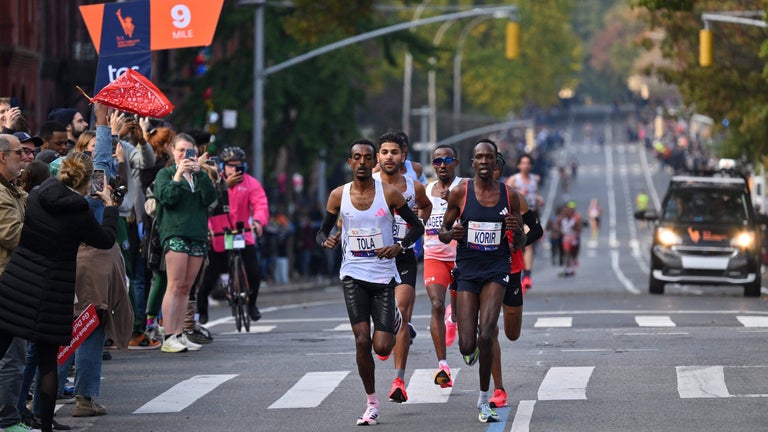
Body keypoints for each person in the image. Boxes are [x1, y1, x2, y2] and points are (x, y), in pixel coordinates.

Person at [0, 151, 119, 432]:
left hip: (17, 281)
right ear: (88, 180)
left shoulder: (40, 192)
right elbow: (105, 240)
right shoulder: (80, 211)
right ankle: (45, 426)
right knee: (47, 363)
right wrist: (111, 206)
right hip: (52, 290)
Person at [316, 139, 423, 426]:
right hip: (353, 275)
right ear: (350, 162)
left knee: (382, 348)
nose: (362, 162)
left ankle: (397, 321)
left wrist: (399, 247)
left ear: (371, 160)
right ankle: (371, 403)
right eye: (356, 158)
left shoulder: (389, 194)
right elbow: (322, 230)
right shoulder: (338, 195)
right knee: (362, 340)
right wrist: (325, 239)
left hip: (384, 275)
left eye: (366, 157)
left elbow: (417, 227)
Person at [439, 139, 522, 423]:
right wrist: (453, 234)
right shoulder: (460, 193)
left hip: (497, 268)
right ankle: (468, 346)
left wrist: (516, 231)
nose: (484, 161)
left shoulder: (509, 195)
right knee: (466, 344)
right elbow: (443, 231)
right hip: (468, 269)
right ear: (472, 163)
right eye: (479, 157)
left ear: (495, 161)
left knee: (487, 333)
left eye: (489, 157)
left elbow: (521, 239)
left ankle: (484, 398)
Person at [372, 132, 432, 404]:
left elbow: (426, 207)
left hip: (404, 254)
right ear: (378, 157)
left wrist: (414, 234)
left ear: (403, 157)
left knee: (402, 312)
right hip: (373, 259)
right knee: (384, 328)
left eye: (394, 152)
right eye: (384, 152)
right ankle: (389, 333)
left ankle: (399, 380)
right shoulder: (367, 184)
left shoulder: (413, 186)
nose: (389, 157)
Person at [488, 152, 543, 409]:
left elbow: (538, 229)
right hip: (481, 270)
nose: (487, 169)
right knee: (488, 330)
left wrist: (518, 244)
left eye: (493, 166)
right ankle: (498, 388)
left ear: (499, 171)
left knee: (511, 333)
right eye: (482, 163)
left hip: (511, 269)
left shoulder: (512, 197)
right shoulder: (465, 196)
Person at [154, 134, 217, 353]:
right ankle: (169, 335)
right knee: (174, 285)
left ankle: (180, 333)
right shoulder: (166, 173)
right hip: (175, 234)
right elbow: (166, 198)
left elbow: (211, 198)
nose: (185, 155)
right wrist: (179, 174)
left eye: (189, 151)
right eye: (180, 150)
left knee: (186, 288)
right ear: (172, 151)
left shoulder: (199, 176)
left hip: (197, 235)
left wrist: (201, 174)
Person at [199, 146, 269, 324]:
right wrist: (224, 186)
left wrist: (258, 222)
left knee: (254, 272)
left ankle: (252, 304)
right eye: (230, 165)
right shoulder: (213, 181)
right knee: (210, 274)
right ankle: (202, 307)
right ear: (223, 166)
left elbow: (260, 204)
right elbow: (206, 204)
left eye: (238, 165)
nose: (234, 169)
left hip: (242, 234)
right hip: (219, 235)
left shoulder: (250, 183)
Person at [0, 133, 35, 432]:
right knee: (12, 356)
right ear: (1, 157)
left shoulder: (10, 190)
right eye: (18, 153)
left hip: (13, 280)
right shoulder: (0, 195)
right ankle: (8, 419)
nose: (24, 158)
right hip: (6, 282)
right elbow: (12, 235)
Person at [422, 144, 463, 389]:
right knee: (436, 304)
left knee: (456, 312)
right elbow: (417, 218)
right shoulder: (426, 190)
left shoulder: (465, 186)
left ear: (455, 162)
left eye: (447, 160)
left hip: (461, 257)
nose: (442, 165)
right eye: (437, 161)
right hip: (434, 256)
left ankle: (454, 317)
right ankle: (443, 366)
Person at [505, 154, 542, 291]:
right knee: (522, 246)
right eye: (523, 163)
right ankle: (518, 273)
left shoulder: (535, 179)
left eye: (528, 163)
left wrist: (539, 199)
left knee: (529, 245)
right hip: (517, 217)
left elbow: (535, 194)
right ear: (519, 165)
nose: (526, 166)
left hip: (530, 215)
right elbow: (506, 195)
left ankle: (526, 276)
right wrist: (520, 192)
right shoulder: (514, 180)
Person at [558, 201, 582, 277]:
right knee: (567, 253)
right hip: (566, 238)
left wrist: (575, 229)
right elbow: (555, 225)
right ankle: (567, 269)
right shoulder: (562, 219)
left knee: (572, 254)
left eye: (569, 211)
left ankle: (571, 268)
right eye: (566, 211)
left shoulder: (575, 219)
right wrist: (560, 230)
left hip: (573, 238)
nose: (567, 213)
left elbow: (579, 229)